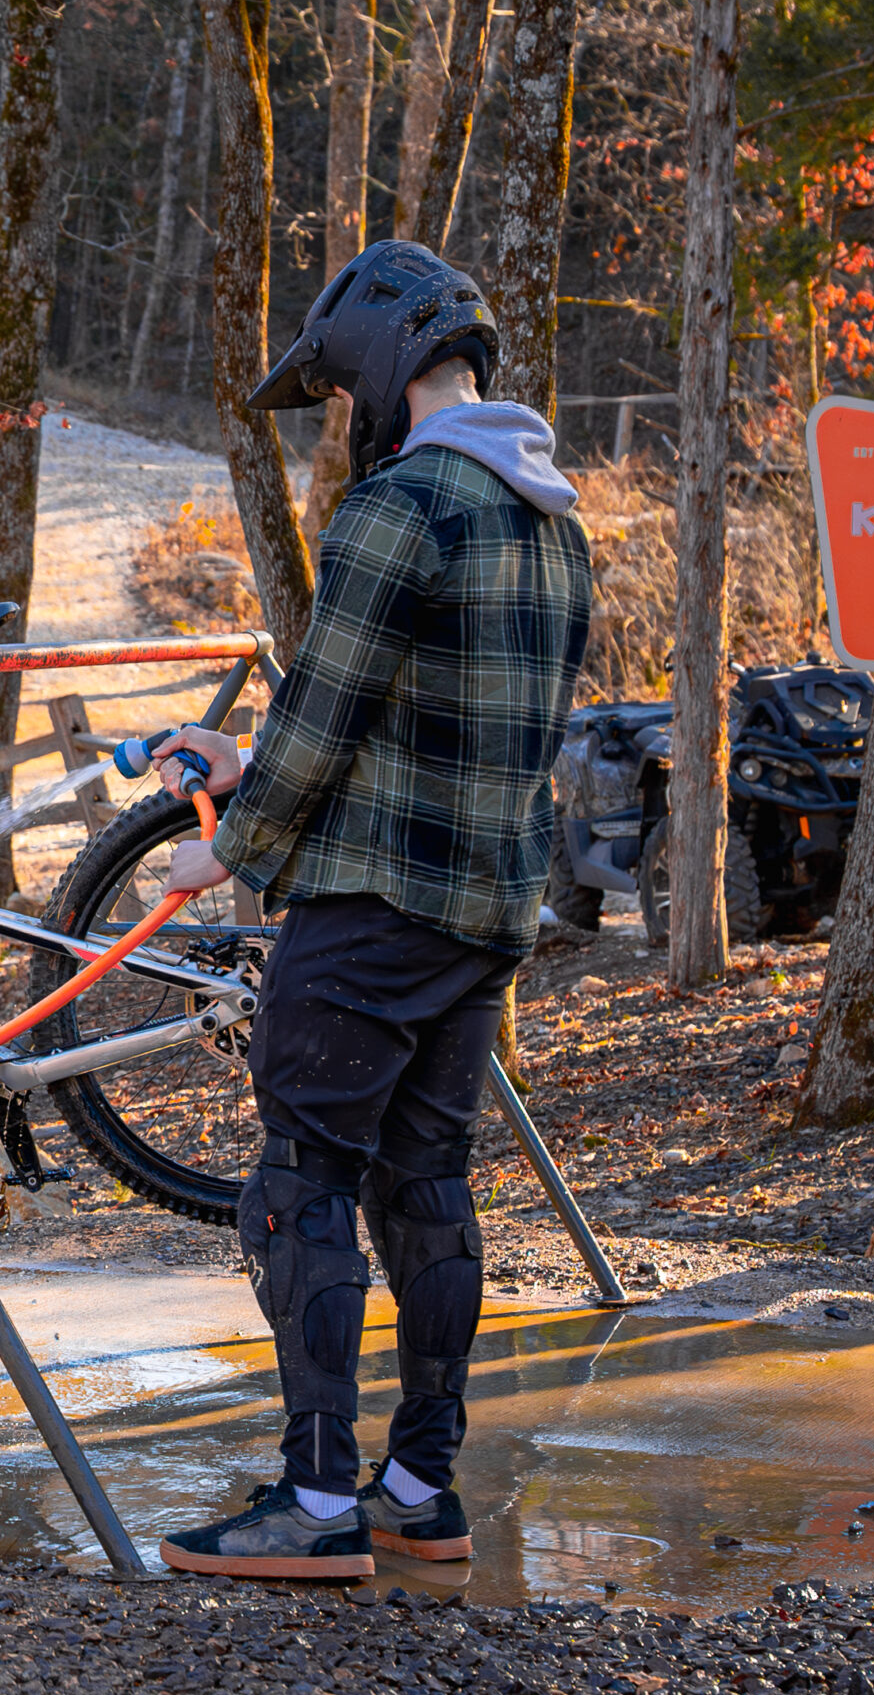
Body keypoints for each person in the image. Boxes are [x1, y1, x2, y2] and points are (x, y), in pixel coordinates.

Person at [150, 240, 593, 1579]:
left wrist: (224, 851)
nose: (346, 416)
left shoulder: (401, 508)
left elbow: (328, 716)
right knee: (429, 1186)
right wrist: (256, 764)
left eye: (344, 392)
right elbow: (426, 725)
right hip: (483, 916)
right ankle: (418, 1487)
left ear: (391, 368)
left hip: (370, 918)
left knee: (303, 1182)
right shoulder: (551, 519)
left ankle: (316, 1503)